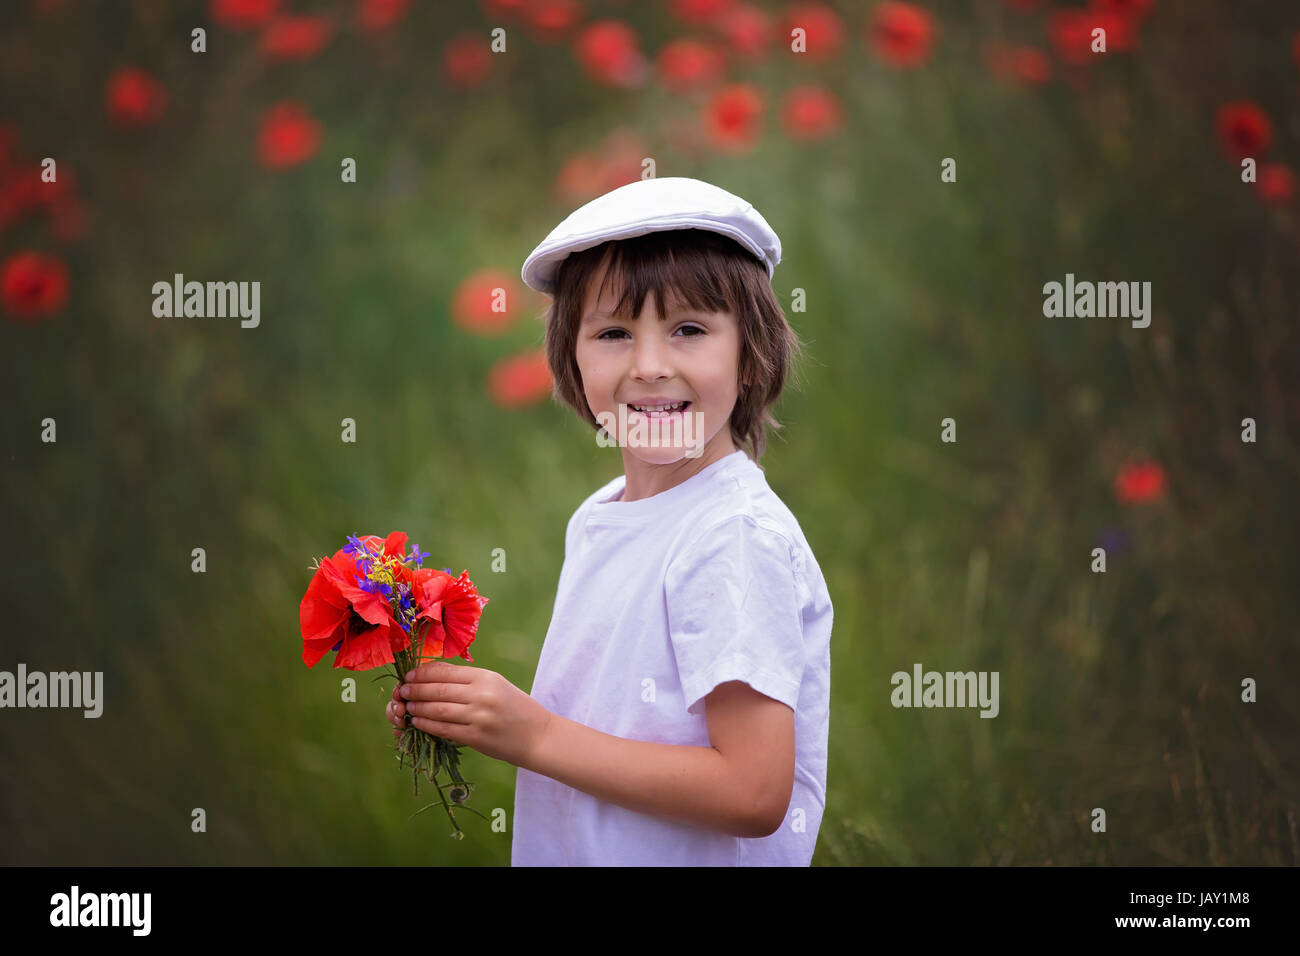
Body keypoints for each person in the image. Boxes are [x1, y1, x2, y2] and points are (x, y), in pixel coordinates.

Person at [387, 177, 833, 865]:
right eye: (614, 333)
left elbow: (754, 791)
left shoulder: (732, 537)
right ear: (573, 357)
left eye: (689, 330)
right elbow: (613, 718)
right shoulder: (602, 515)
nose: (650, 365)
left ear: (750, 355)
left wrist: (532, 736)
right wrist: (471, 710)